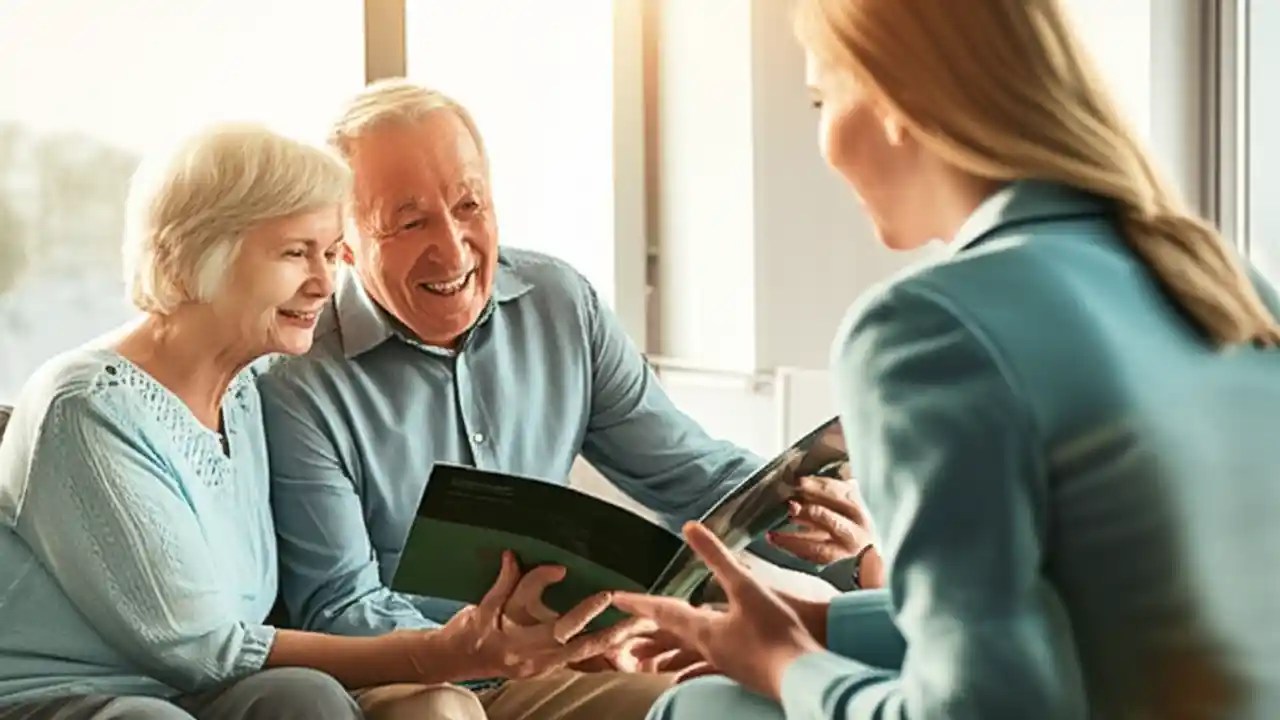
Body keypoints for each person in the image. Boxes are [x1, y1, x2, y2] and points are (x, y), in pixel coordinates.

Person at [611, 0, 1280, 718]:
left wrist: (786, 665)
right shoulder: (1223, 281)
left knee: (705, 709)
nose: (824, 141)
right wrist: (824, 625)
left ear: (897, 99)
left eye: (821, 98)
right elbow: (1100, 618)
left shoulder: (928, 327)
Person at [255, 78, 875, 720]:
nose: (451, 246)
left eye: (470, 206)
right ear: (347, 242)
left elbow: (696, 476)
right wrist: (478, 648)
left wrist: (852, 555)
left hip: (551, 667)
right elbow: (339, 608)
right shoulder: (296, 377)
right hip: (408, 676)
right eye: (410, 223)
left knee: (725, 706)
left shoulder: (560, 305)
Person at [0, 122, 632, 720]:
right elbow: (201, 648)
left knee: (307, 698)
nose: (325, 282)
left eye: (331, 252)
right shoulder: (85, 404)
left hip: (194, 693)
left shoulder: (246, 393)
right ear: (195, 255)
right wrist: (446, 651)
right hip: (74, 696)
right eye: (297, 252)